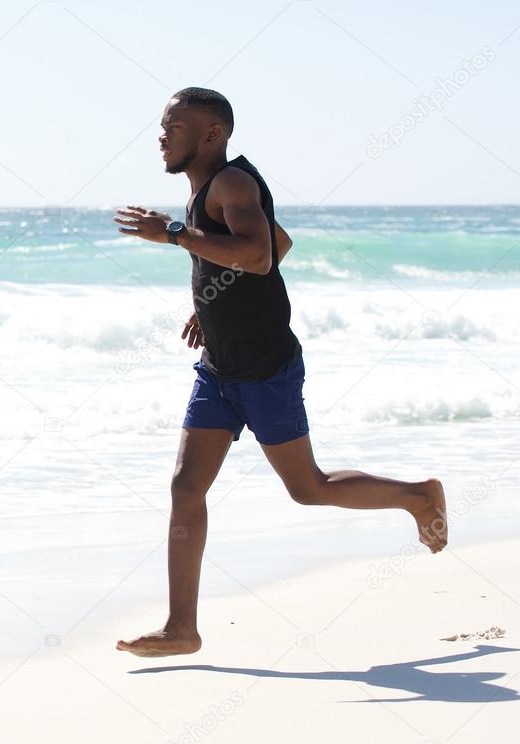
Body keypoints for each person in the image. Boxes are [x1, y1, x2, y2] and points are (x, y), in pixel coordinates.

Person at [111, 87, 447, 658]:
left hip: (265, 369)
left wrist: (172, 235)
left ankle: (418, 496)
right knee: (186, 485)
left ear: (212, 133)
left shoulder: (233, 185)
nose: (163, 136)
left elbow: (262, 255)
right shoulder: (206, 190)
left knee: (308, 489)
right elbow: (276, 242)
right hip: (218, 369)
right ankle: (182, 629)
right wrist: (213, 294)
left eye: (176, 126)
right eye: (163, 126)